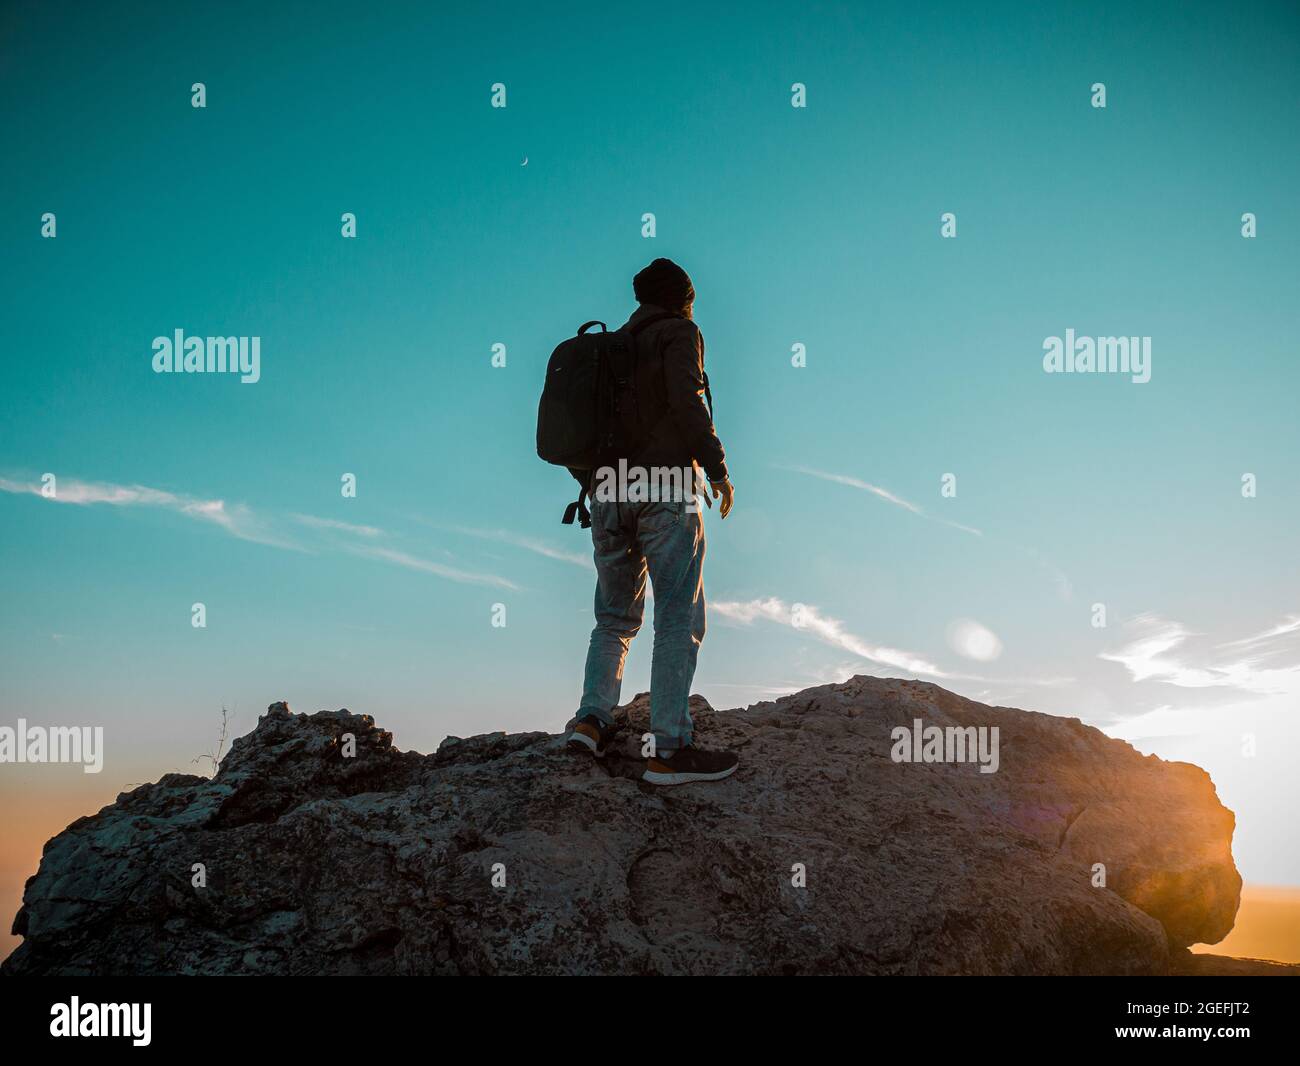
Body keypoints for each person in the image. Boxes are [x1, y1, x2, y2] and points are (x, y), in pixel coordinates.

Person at [566, 258, 740, 785]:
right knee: (677, 615)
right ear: (684, 297)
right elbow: (689, 403)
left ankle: (592, 722)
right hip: (665, 488)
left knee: (614, 619)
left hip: (607, 492)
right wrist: (718, 470)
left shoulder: (609, 347)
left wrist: (598, 485)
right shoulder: (679, 332)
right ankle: (668, 748)